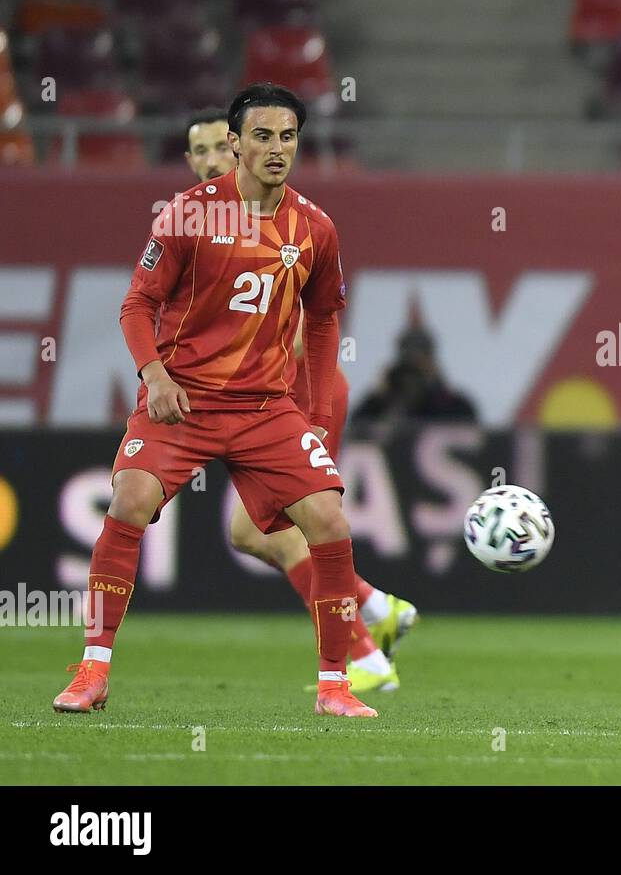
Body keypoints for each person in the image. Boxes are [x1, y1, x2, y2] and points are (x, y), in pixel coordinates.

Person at [54, 84, 383, 717]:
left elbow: (321, 323)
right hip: (185, 399)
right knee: (128, 500)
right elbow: (137, 304)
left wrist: (315, 419)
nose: (277, 149)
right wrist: (154, 375)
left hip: (266, 408)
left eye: (287, 136)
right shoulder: (187, 214)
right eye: (262, 136)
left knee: (331, 524)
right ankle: (91, 672)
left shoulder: (316, 228)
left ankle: (336, 686)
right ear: (234, 144)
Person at [181, 108, 416, 693]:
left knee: (286, 529)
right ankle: (372, 608)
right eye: (199, 149)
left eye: (219, 145)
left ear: (239, 148)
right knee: (251, 532)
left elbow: (308, 315)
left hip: (292, 389)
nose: (211, 158)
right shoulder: (195, 222)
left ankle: (365, 653)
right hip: (251, 399)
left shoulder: (272, 217)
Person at [354, 324, 477, 423]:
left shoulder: (454, 405)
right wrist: (379, 398)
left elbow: (469, 427)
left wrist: (437, 392)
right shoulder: (382, 402)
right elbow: (357, 427)